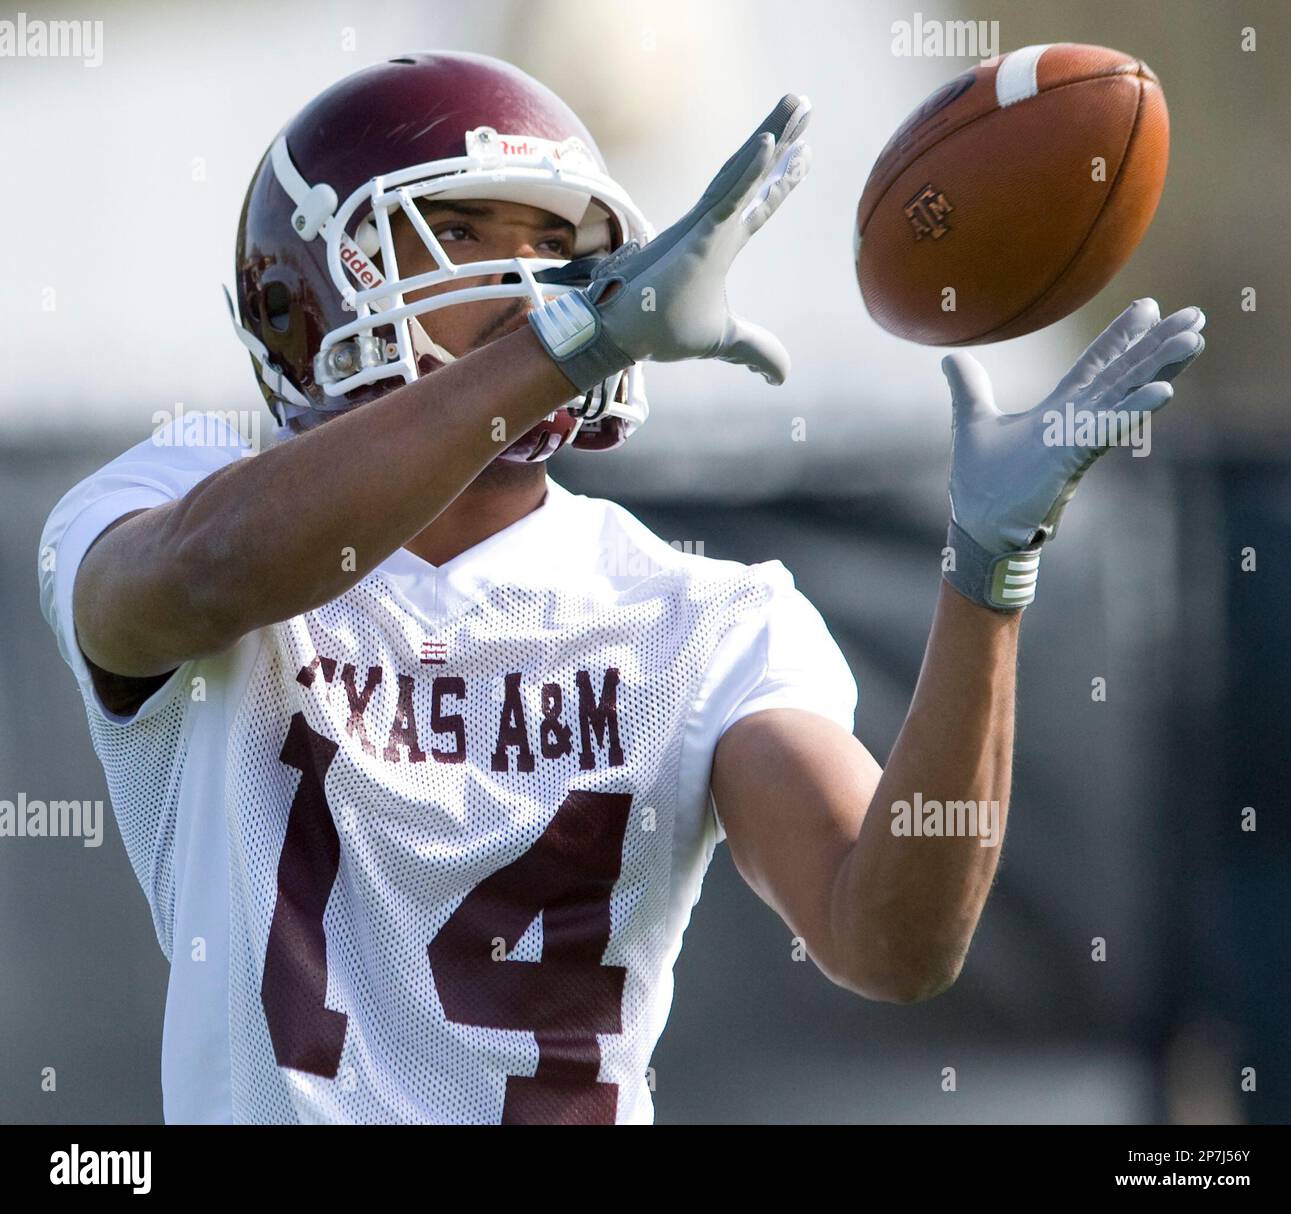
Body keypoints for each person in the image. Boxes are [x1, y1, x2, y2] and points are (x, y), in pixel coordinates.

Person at [37, 50, 1206, 1124]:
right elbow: (202, 575)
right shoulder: (185, 494)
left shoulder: (697, 614)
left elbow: (888, 935)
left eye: (557, 249)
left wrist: (986, 574)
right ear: (310, 290)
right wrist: (561, 344)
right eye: (458, 227)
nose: (532, 277)